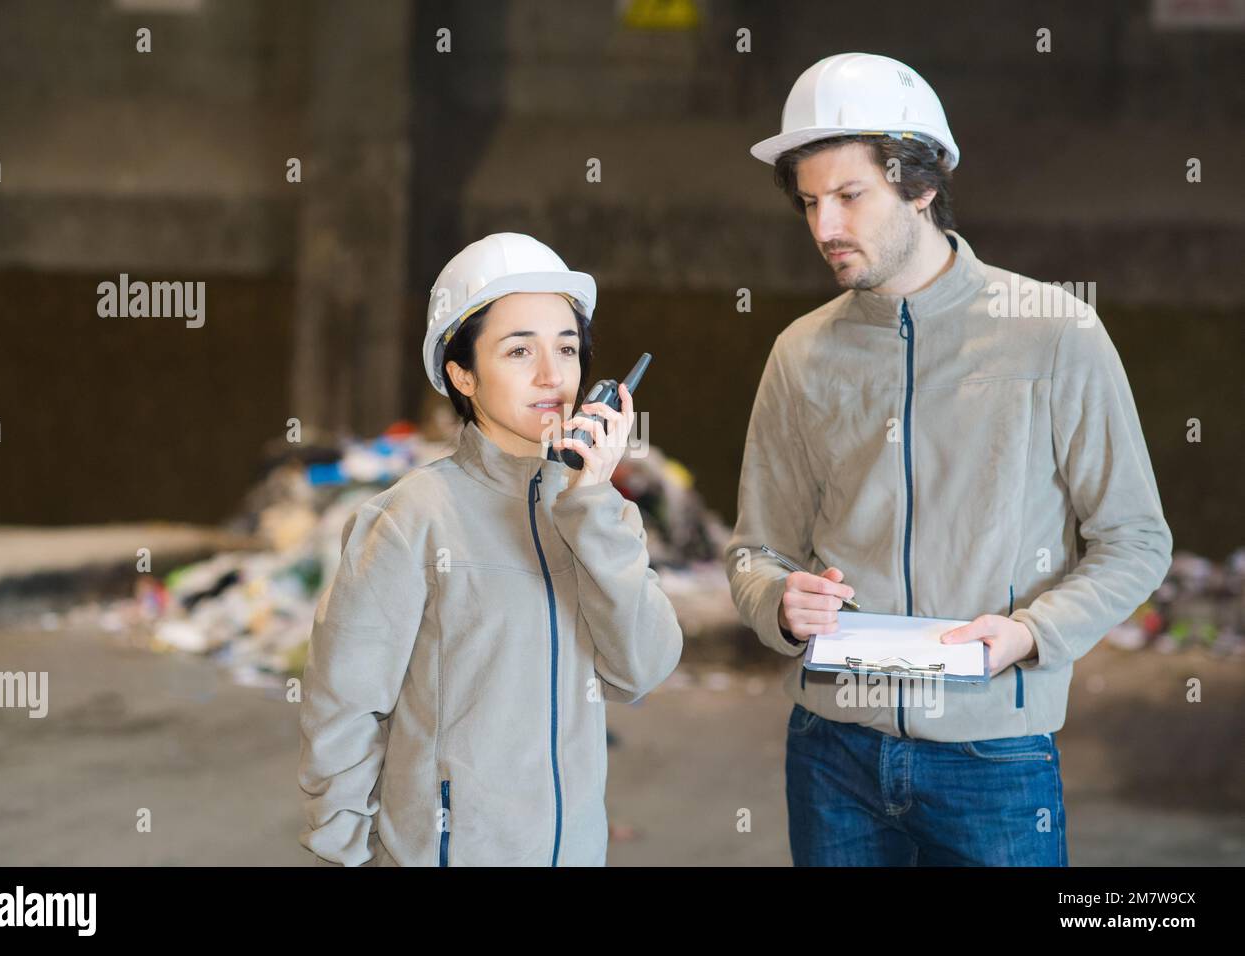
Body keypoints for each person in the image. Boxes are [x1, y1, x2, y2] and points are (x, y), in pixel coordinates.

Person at [726, 53, 1172, 866]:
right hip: (833, 751)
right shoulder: (800, 354)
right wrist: (779, 604)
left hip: (994, 757)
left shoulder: (1053, 332)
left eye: (851, 196)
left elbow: (1136, 540)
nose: (826, 227)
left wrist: (1031, 635)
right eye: (810, 203)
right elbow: (757, 548)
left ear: (922, 185)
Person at [297, 232, 682, 866]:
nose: (552, 375)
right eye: (518, 350)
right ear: (462, 373)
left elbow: (641, 669)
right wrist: (346, 856)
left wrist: (593, 505)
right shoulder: (411, 518)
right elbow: (342, 710)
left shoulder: (594, 513)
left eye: (566, 347)